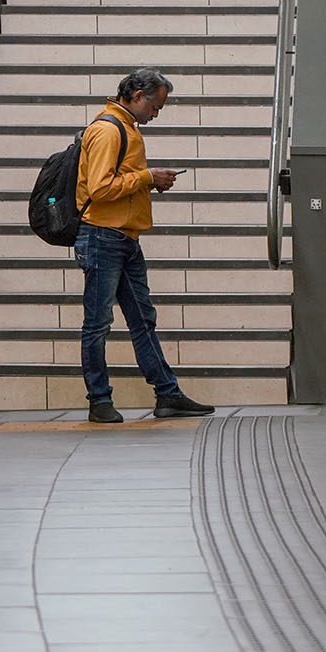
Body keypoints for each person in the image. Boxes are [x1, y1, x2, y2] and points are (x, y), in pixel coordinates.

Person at [72, 67, 215, 423]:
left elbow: (117, 183)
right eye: (155, 107)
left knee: (142, 320)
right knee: (98, 323)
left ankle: (168, 394)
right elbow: (100, 189)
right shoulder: (107, 130)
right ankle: (99, 400)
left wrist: (148, 183)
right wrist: (148, 177)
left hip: (124, 237)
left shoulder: (127, 130)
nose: (156, 114)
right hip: (103, 236)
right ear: (137, 96)